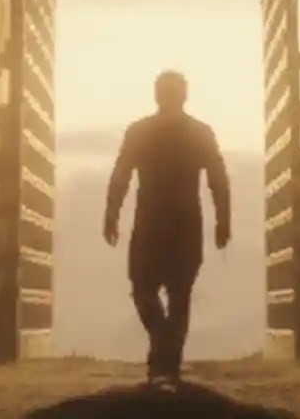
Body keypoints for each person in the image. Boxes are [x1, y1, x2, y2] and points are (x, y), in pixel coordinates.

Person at [103, 70, 231, 388]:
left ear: (157, 94)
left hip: (150, 222)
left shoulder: (139, 131)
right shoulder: (200, 132)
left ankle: (163, 356)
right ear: (184, 95)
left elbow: (121, 175)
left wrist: (112, 214)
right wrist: (223, 220)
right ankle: (167, 359)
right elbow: (218, 179)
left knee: (144, 288)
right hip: (186, 223)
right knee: (179, 295)